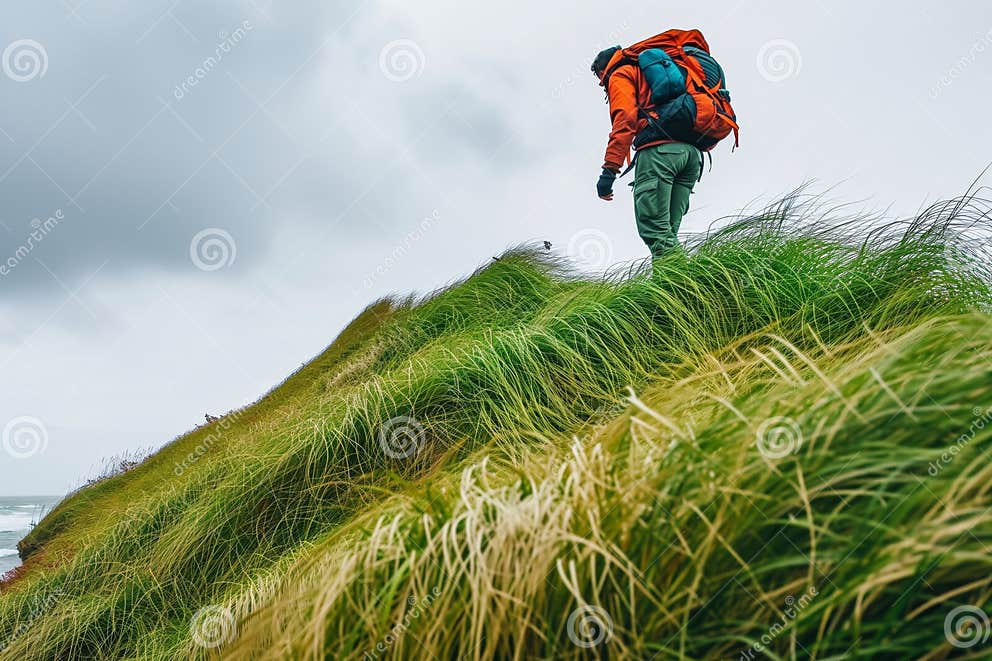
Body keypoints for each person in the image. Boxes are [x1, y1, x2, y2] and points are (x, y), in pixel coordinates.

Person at [592, 45, 703, 260]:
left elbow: (625, 120)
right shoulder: (655, 71)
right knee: (667, 232)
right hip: (692, 154)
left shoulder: (620, 73)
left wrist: (609, 172)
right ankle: (669, 287)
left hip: (660, 154)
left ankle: (688, 288)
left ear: (603, 71)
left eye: (601, 81)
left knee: (656, 232)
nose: (603, 86)